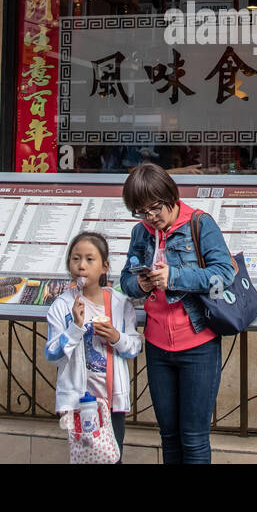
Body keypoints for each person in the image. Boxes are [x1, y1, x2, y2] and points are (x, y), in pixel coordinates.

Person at [118, 162, 234, 464]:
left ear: (170, 195)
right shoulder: (140, 232)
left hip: (198, 344)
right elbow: (125, 280)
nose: (150, 218)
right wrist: (140, 283)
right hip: (157, 346)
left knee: (194, 440)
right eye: (141, 212)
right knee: (168, 437)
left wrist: (175, 277)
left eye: (154, 209)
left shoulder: (199, 223)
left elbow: (224, 275)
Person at [45, 231, 142, 460]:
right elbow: (52, 354)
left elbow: (134, 346)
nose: (81, 266)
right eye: (75, 259)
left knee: (112, 455)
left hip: (111, 400)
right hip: (79, 401)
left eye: (90, 259)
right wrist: (75, 328)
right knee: (85, 456)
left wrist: (116, 337)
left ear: (104, 267)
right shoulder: (62, 305)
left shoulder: (119, 304)